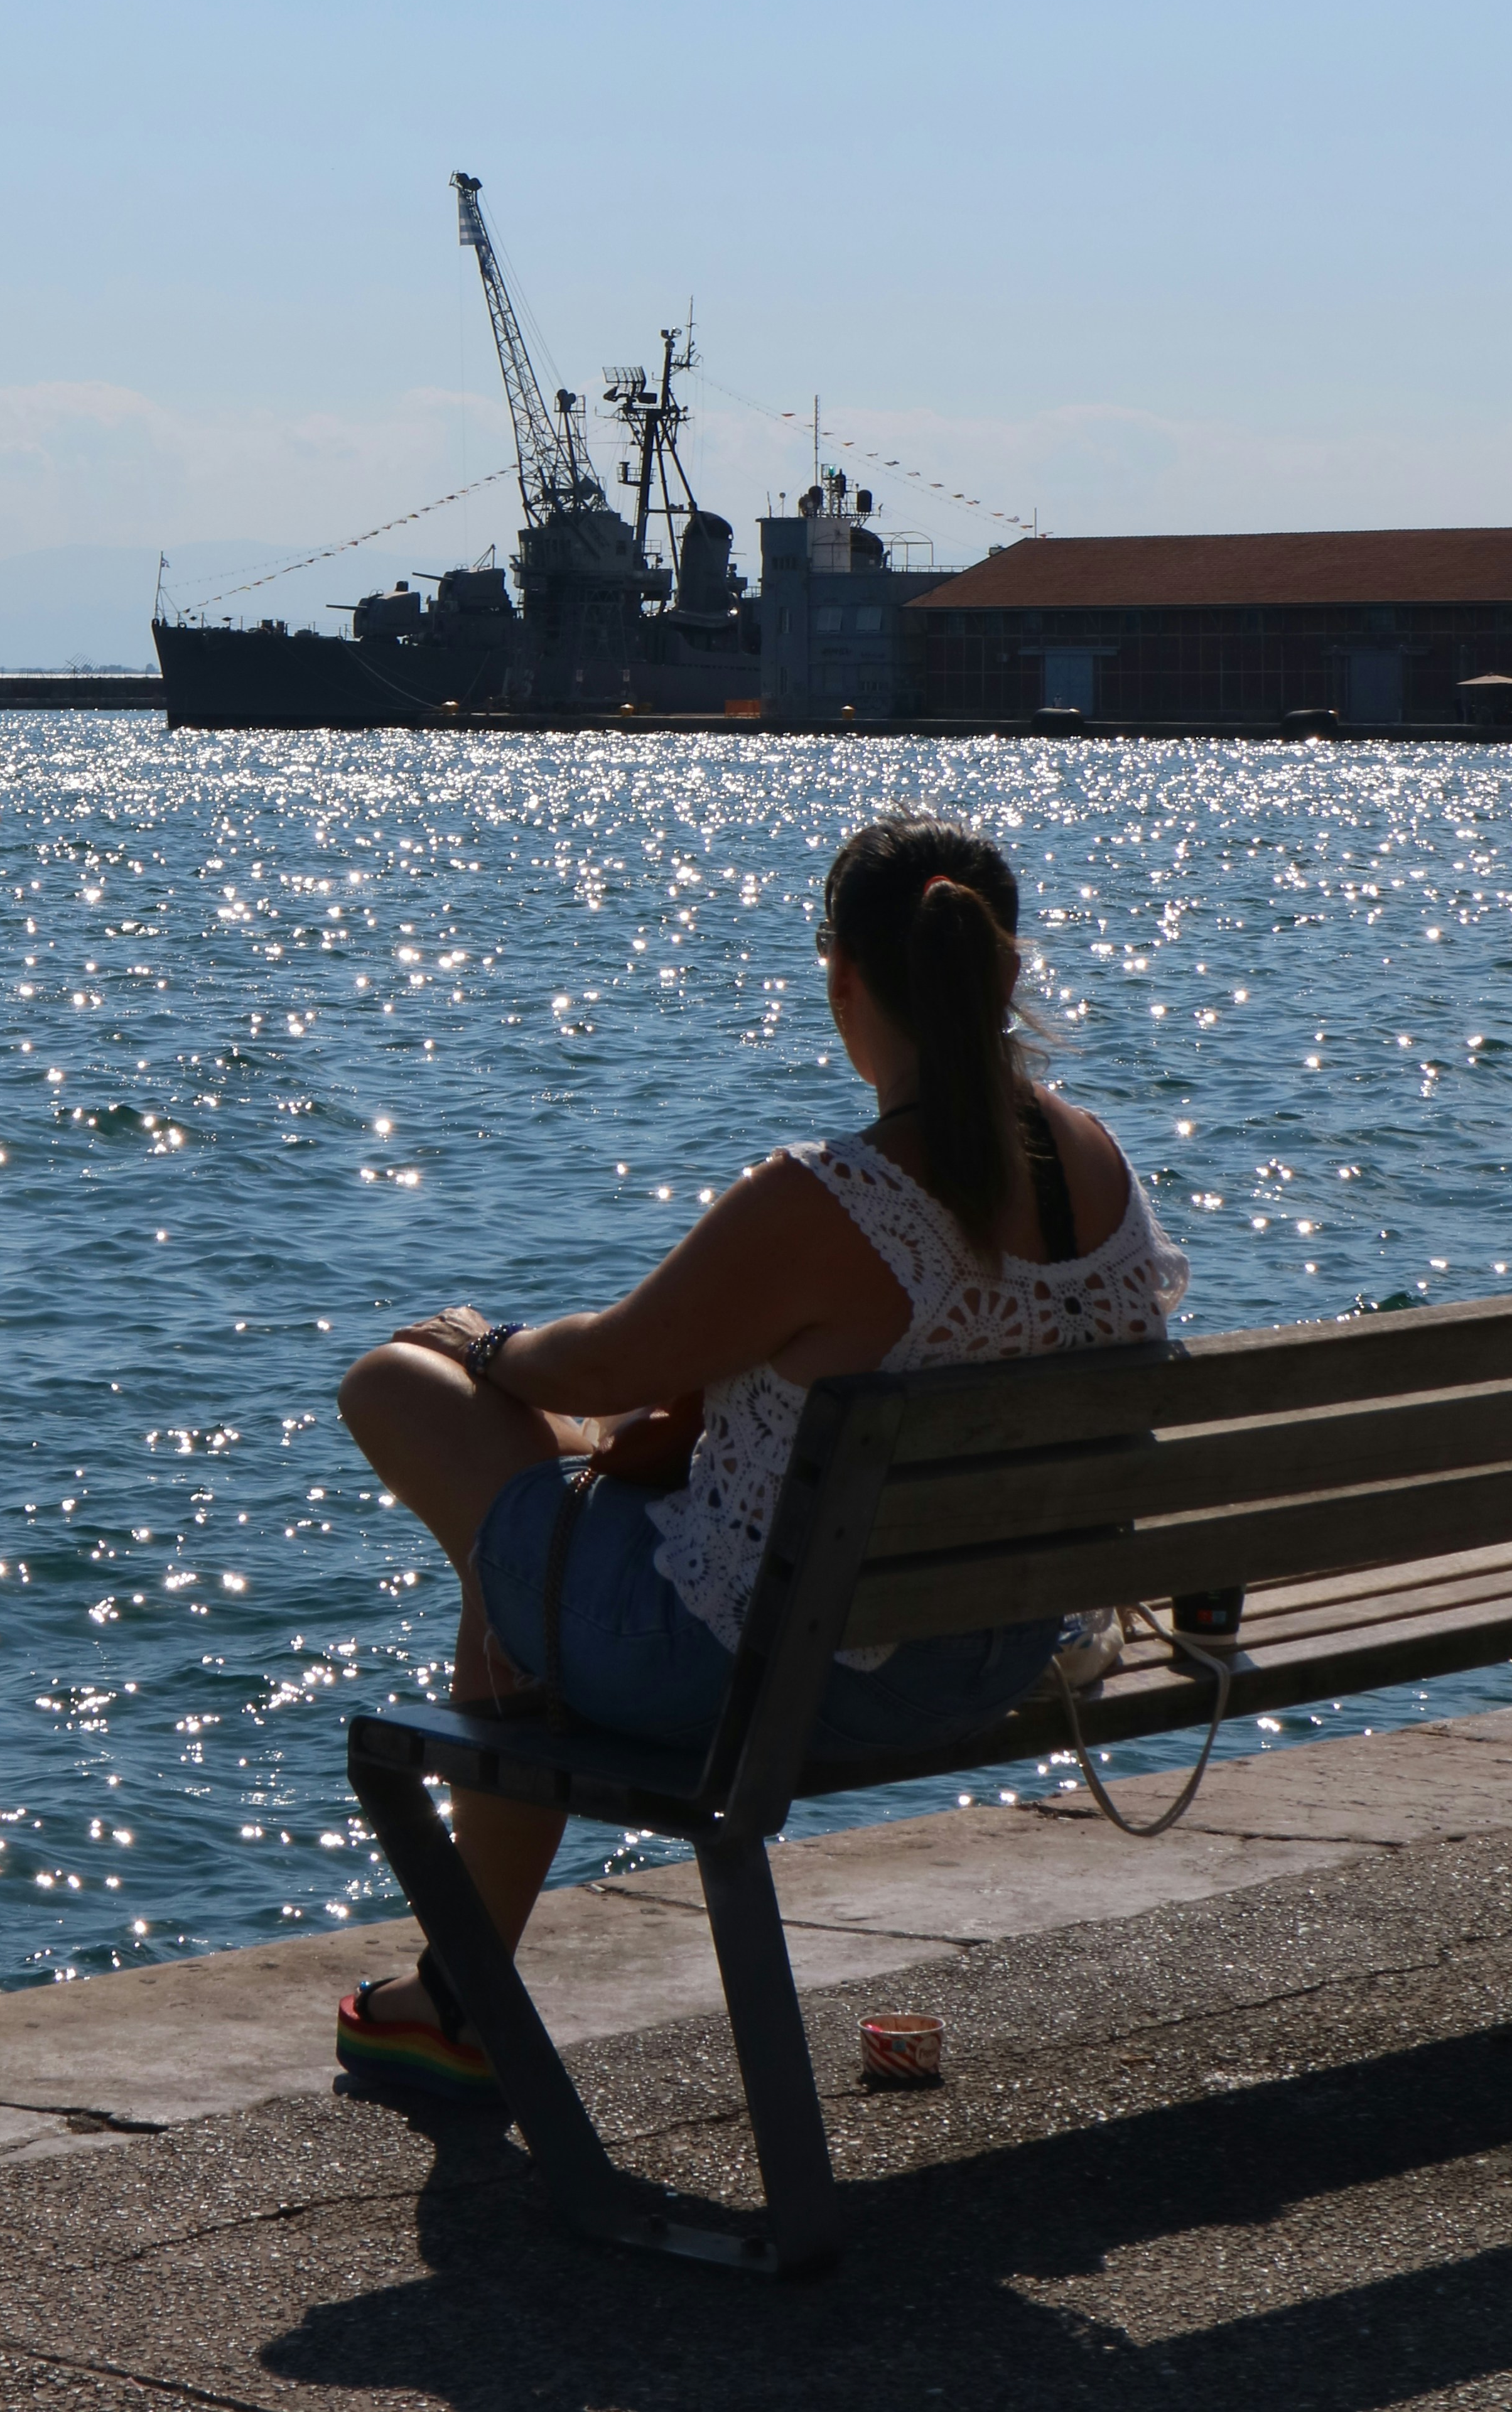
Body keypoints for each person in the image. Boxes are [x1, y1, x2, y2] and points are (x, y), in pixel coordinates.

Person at [331, 810, 1186, 2096]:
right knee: (552, 1499)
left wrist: (480, 1342)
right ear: (1005, 969)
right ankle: (454, 1993)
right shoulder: (1098, 1164)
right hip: (996, 1651)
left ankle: (460, 1995)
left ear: (840, 979)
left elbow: (602, 1366)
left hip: (775, 1672)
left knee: (401, 1390)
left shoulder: (828, 1199)